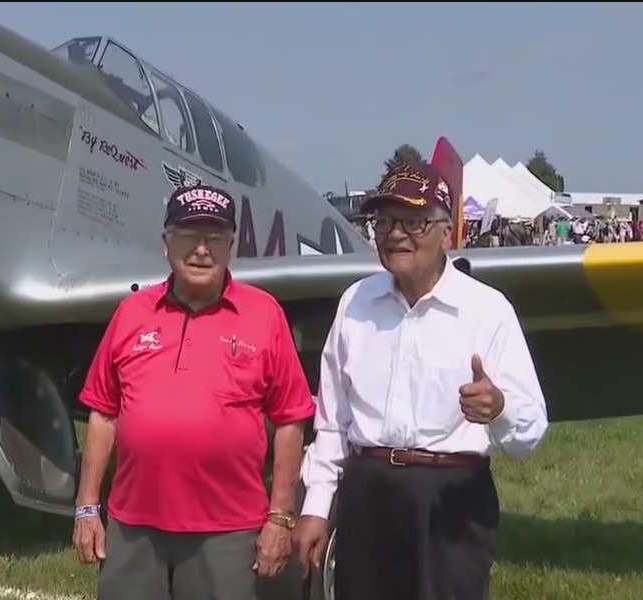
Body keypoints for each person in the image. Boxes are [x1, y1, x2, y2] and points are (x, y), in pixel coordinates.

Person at [292, 162, 550, 600]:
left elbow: (531, 433)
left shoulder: (487, 310)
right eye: (385, 221)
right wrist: (316, 508)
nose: (395, 234)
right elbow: (332, 422)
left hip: (451, 499)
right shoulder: (356, 303)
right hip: (368, 493)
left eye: (414, 221)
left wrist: (500, 407)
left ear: (445, 232)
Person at [73, 184, 316, 600]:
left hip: (228, 531)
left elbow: (291, 419)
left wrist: (279, 517)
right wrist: (87, 506)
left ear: (231, 246)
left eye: (215, 237)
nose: (202, 249)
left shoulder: (265, 314)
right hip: (134, 527)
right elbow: (103, 413)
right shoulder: (132, 312)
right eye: (188, 235)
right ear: (166, 243)